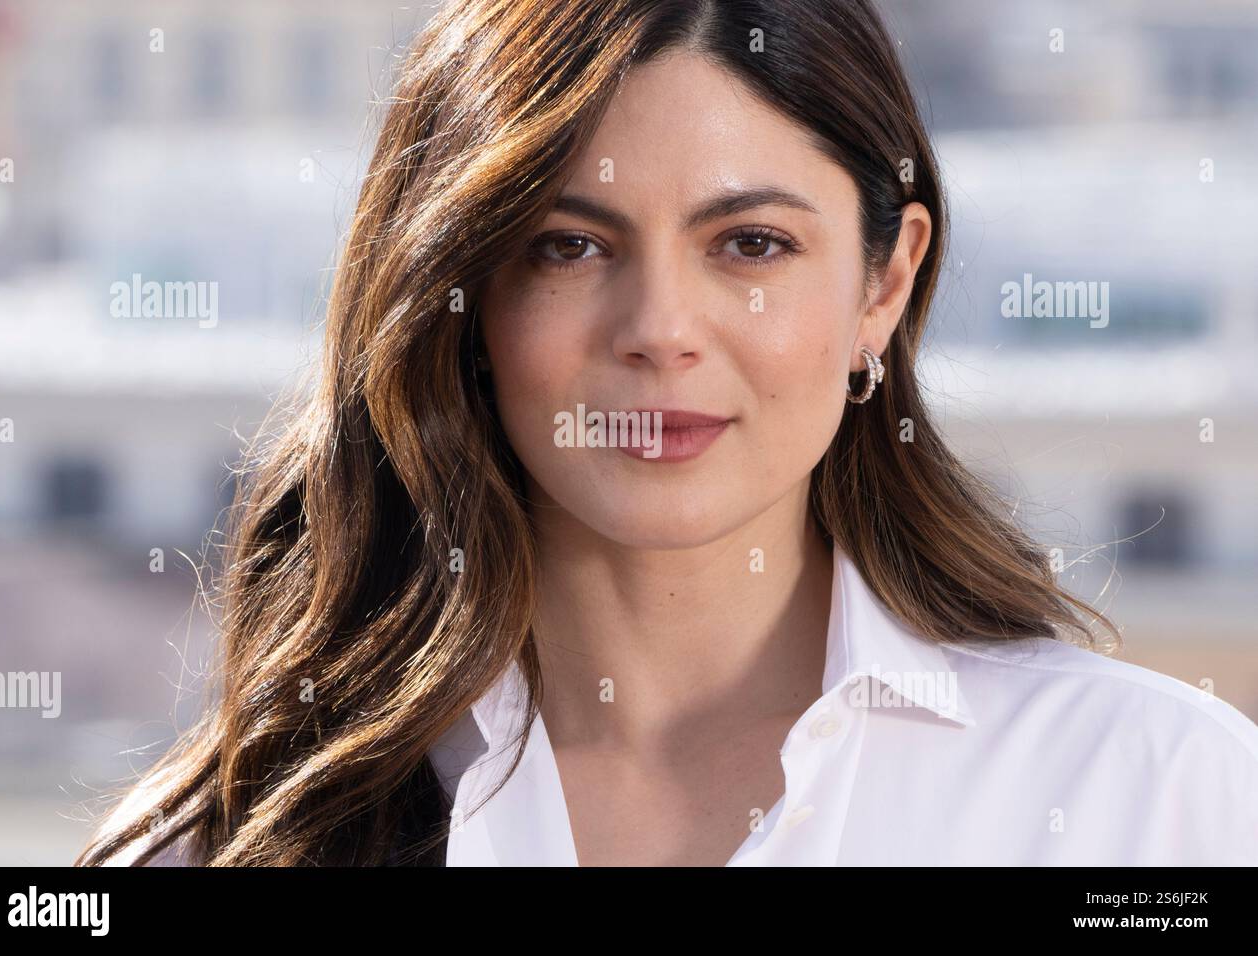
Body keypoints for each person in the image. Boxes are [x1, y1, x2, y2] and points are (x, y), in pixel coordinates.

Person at [78, 0, 1258, 867]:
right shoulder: (225, 845)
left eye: (749, 244)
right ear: (462, 299)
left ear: (883, 287)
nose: (658, 330)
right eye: (569, 245)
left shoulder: (1158, 798)